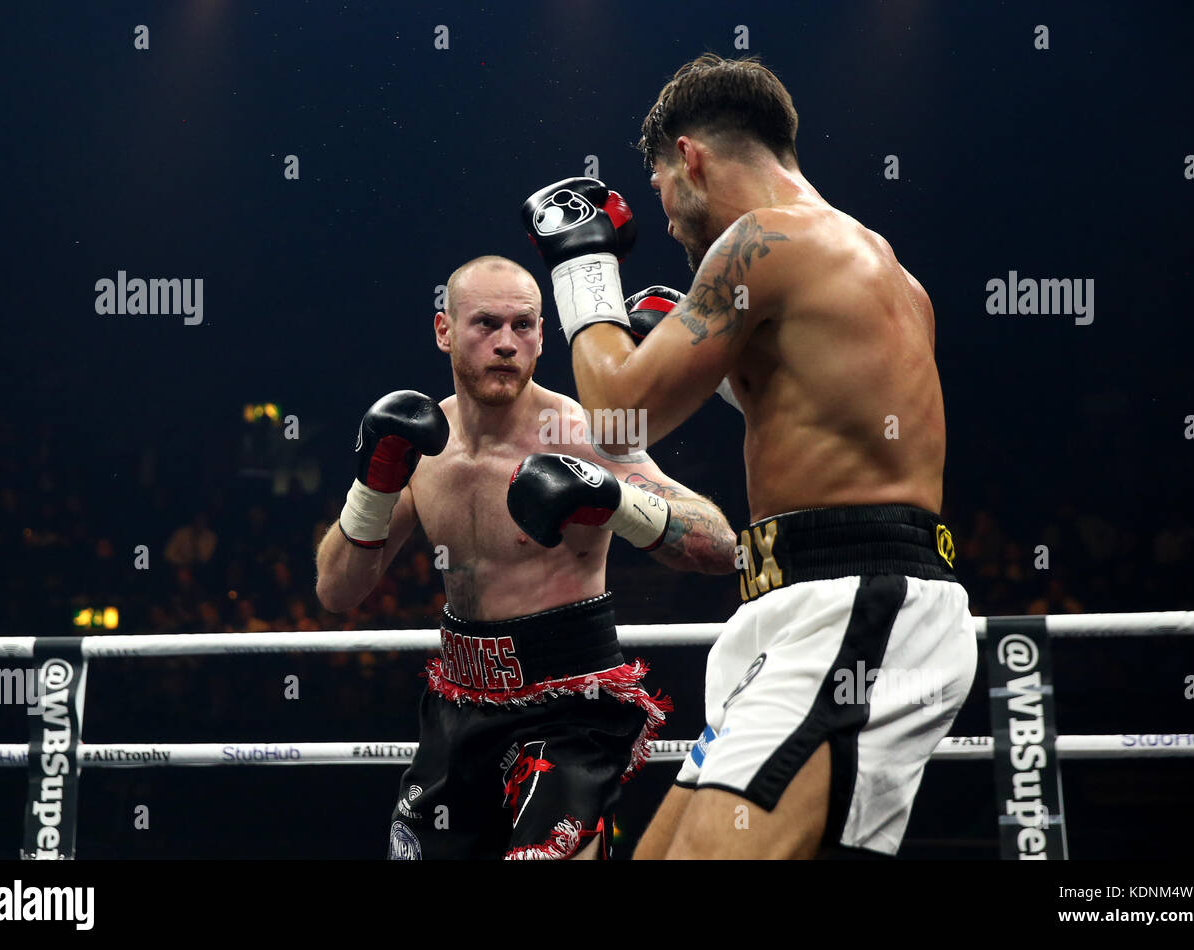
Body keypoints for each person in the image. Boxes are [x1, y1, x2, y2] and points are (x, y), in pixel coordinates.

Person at [520, 53, 978, 859]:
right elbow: (835, 418)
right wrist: (732, 370)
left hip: (855, 605)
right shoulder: (888, 271)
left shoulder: (761, 241)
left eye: (659, 185)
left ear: (690, 156)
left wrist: (582, 266)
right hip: (805, 603)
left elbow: (619, 413)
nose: (662, 218)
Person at [314, 255, 735, 860]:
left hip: (571, 708)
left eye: (524, 326)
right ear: (444, 331)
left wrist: (613, 499)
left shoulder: (584, 432)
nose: (507, 344)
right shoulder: (421, 444)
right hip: (459, 699)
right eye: (486, 324)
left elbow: (720, 545)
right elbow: (337, 592)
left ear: (543, 335)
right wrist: (373, 484)